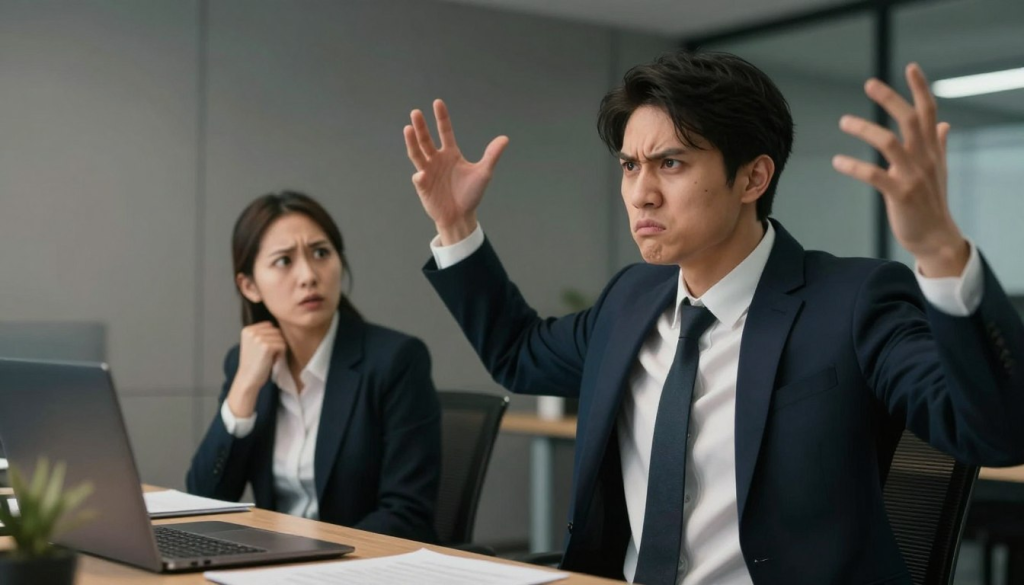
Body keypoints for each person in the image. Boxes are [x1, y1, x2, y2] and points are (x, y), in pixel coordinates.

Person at [403, 51, 1024, 583]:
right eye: (630, 165)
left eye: (670, 163)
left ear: (753, 177)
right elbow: (519, 354)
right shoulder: (631, 299)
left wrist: (941, 252)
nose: (641, 193)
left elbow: (998, 434)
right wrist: (456, 227)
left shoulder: (853, 301)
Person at [187, 191, 441, 543]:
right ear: (249, 286)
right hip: (273, 562)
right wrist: (244, 388)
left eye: (321, 253)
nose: (308, 275)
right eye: (283, 261)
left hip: (357, 564)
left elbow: (407, 516)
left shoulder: (395, 361)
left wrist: (315, 559)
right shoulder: (245, 364)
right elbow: (204, 501)